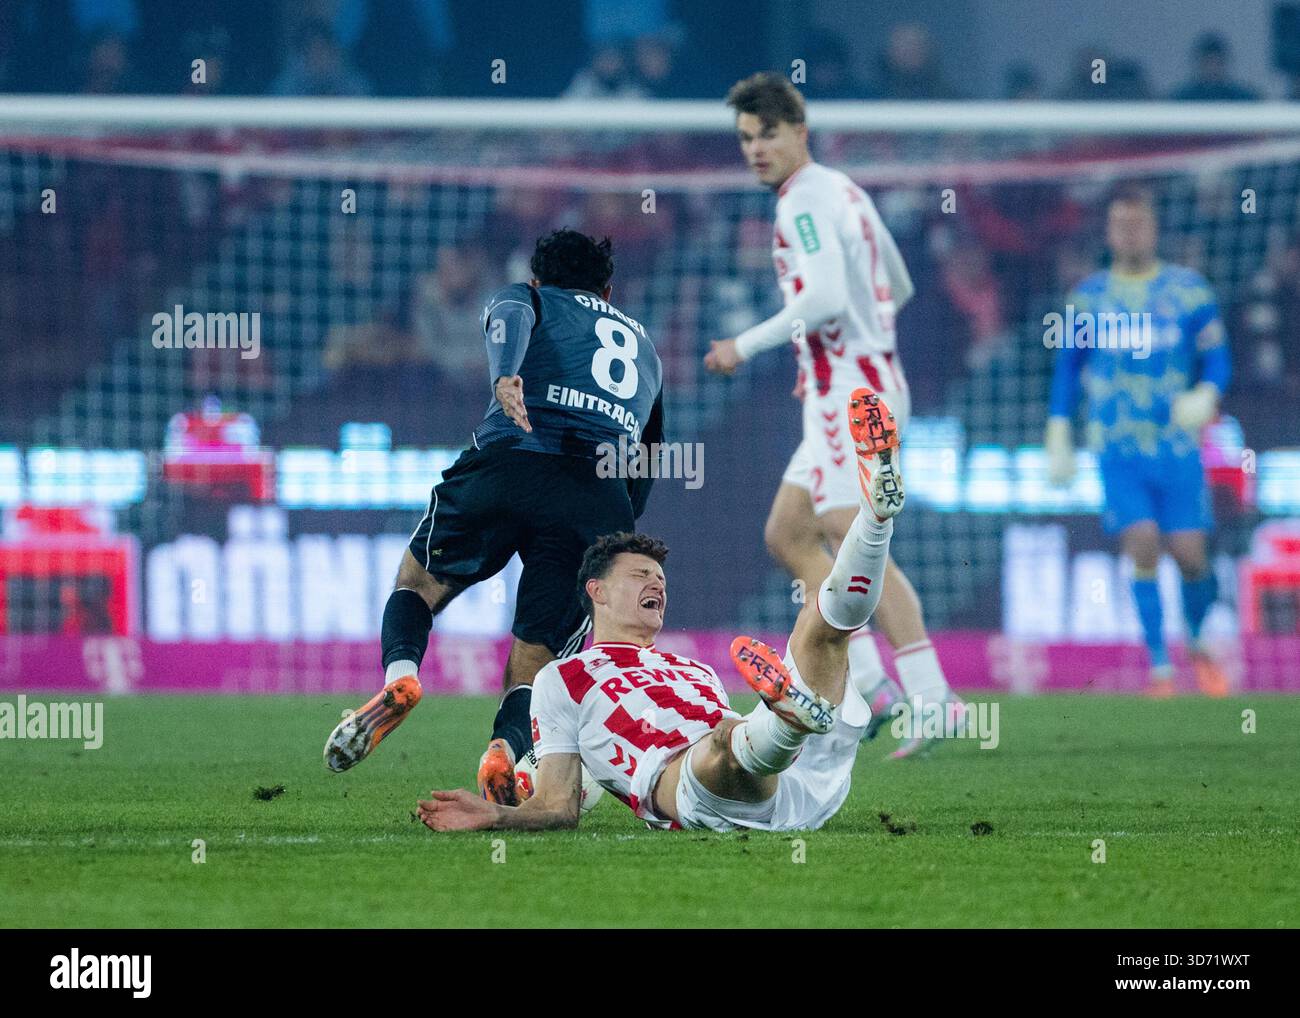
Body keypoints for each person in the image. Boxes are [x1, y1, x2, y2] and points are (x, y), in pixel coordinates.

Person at [417, 388, 904, 833]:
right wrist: (497, 815)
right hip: (712, 792)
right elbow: (558, 806)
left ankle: (876, 517)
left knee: (821, 625)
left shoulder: (691, 668)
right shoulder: (561, 679)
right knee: (720, 746)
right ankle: (785, 721)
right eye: (639, 576)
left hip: (799, 780)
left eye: (661, 580)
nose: (656, 584)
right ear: (596, 591)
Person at [324, 230, 665, 802]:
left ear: (538, 278)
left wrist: (506, 374)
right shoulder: (645, 348)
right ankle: (503, 753)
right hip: (597, 496)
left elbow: (508, 311)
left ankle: (401, 678)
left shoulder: (526, 297)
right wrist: (621, 530)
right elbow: (650, 455)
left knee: (417, 583)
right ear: (608, 291)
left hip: (511, 461)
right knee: (534, 658)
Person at [704, 72, 961, 757]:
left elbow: (819, 299)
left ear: (799, 133)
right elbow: (897, 284)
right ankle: (872, 686)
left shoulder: (800, 204)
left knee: (854, 532)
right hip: (850, 382)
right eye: (746, 139)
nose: (756, 149)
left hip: (850, 395)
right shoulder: (845, 189)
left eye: (768, 135)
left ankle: (933, 700)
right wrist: (836, 356)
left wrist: (744, 345)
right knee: (788, 532)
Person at [1045, 186, 1231, 697]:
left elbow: (1218, 357)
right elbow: (1067, 370)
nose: (1129, 233)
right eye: (1119, 224)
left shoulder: (1189, 292)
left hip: (1176, 448)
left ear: (1153, 228)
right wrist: (1059, 429)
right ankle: (1160, 669)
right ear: (1108, 232)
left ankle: (1195, 638)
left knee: (1192, 556)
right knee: (1143, 543)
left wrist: (1208, 393)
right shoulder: (1087, 300)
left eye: (1138, 223)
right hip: (1117, 448)